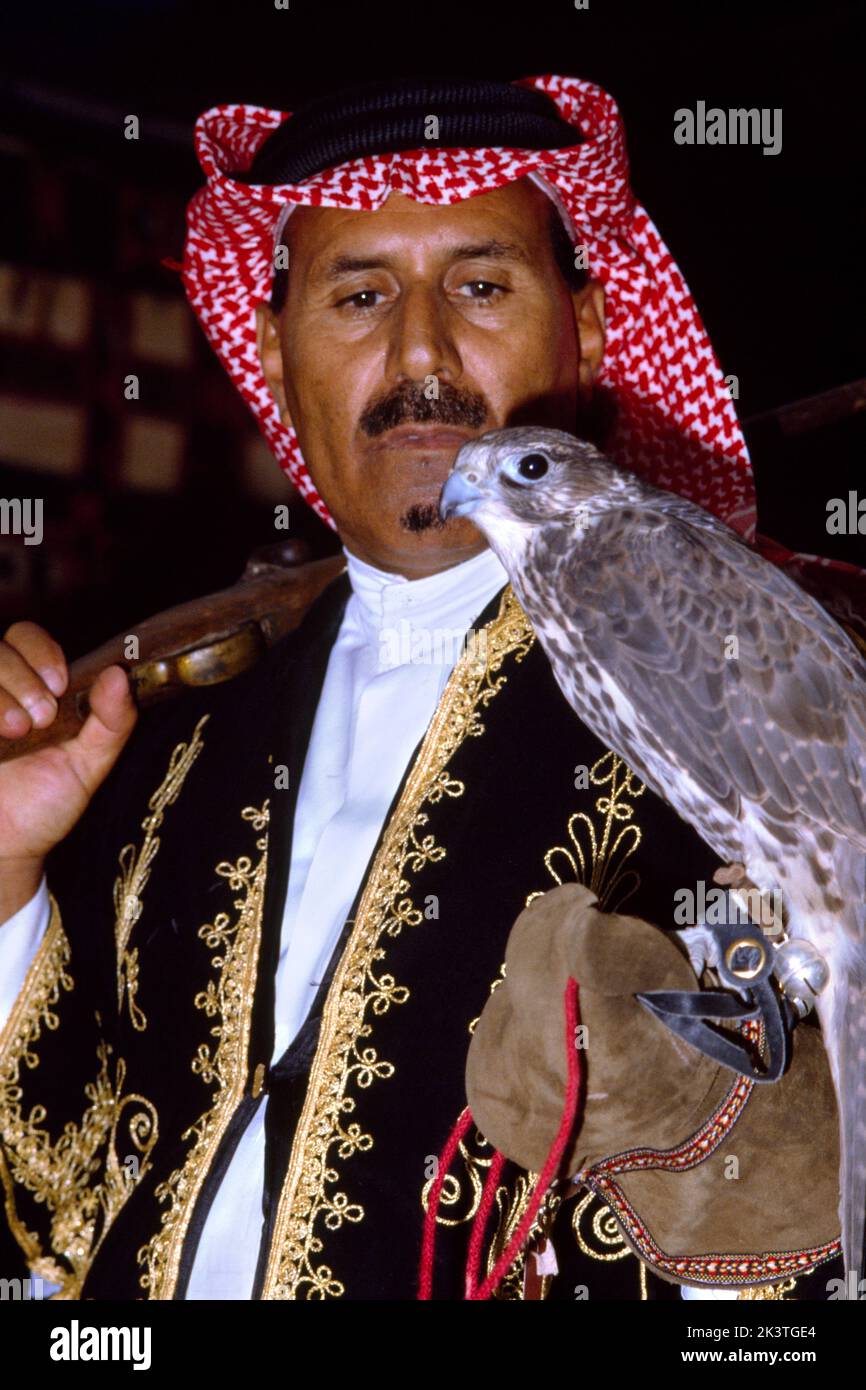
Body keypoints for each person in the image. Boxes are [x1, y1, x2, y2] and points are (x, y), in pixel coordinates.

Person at [0, 75, 846, 1301]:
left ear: (592, 330)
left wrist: (732, 1173)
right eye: (356, 297)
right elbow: (64, 1198)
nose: (418, 352)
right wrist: (8, 883)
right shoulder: (156, 748)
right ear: (279, 353)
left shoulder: (760, 711)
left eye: (481, 284)